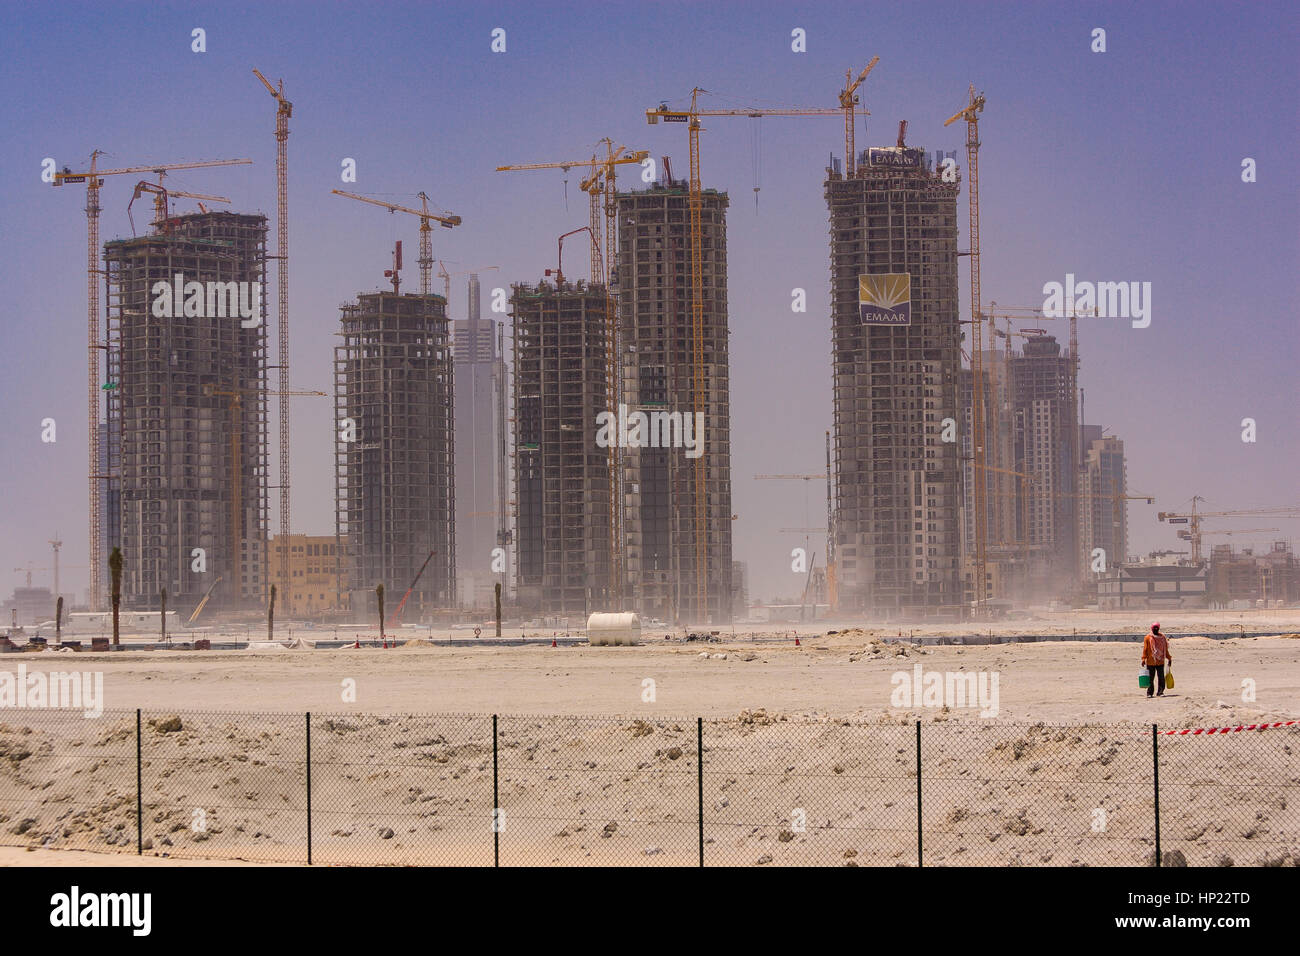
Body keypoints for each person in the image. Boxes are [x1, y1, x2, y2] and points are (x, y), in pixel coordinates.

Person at [1141, 622, 1172, 698]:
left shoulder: (1162, 637)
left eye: (1157, 628)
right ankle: (1150, 693)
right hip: (1151, 661)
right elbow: (1145, 649)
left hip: (1160, 661)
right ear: (1152, 628)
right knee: (1150, 678)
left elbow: (1165, 649)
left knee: (1161, 678)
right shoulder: (1148, 638)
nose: (1155, 629)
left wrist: (1169, 658)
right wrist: (1143, 659)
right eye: (1154, 628)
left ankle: (1160, 692)